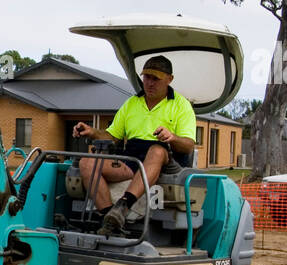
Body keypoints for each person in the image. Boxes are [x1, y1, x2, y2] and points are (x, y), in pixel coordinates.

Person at [73, 55, 197, 237]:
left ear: (169, 79)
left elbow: (188, 146)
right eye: (146, 77)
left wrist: (171, 138)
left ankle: (123, 206)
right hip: (133, 159)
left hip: (168, 164)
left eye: (156, 78)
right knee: (87, 163)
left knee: (156, 150)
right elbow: (111, 136)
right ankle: (110, 220)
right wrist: (92, 132)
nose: (150, 83)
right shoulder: (132, 103)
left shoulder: (181, 106)